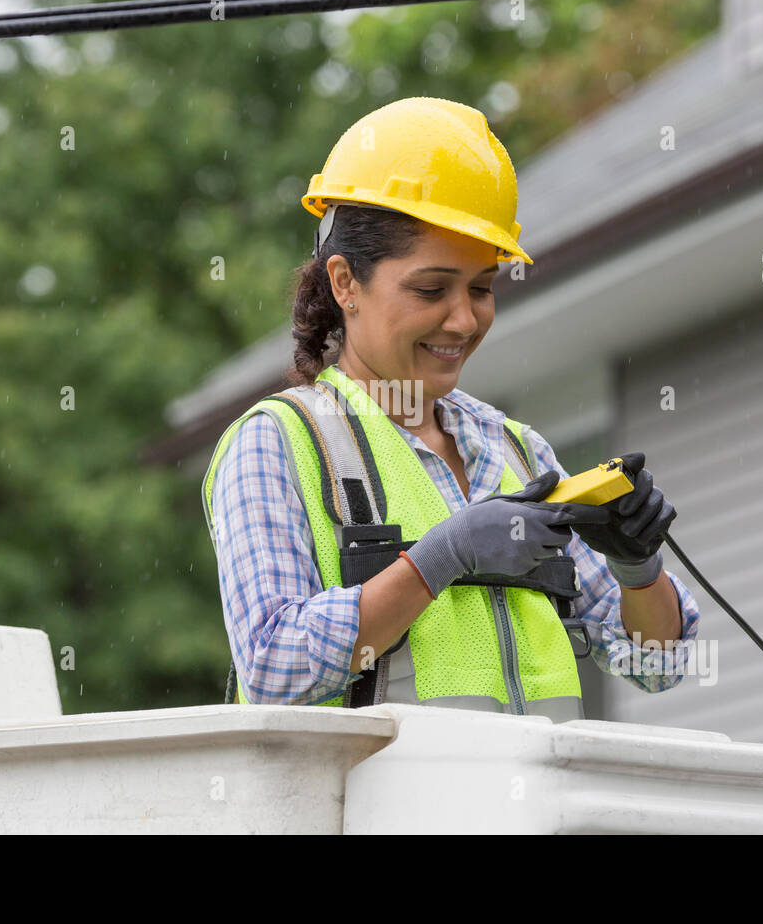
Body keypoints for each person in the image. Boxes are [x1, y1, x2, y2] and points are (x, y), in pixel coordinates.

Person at [202, 97, 699, 722]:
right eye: (431, 289)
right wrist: (441, 559)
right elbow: (273, 666)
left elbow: (658, 667)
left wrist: (638, 567)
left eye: (483, 289)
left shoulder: (517, 450)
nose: (464, 319)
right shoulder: (278, 444)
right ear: (345, 283)